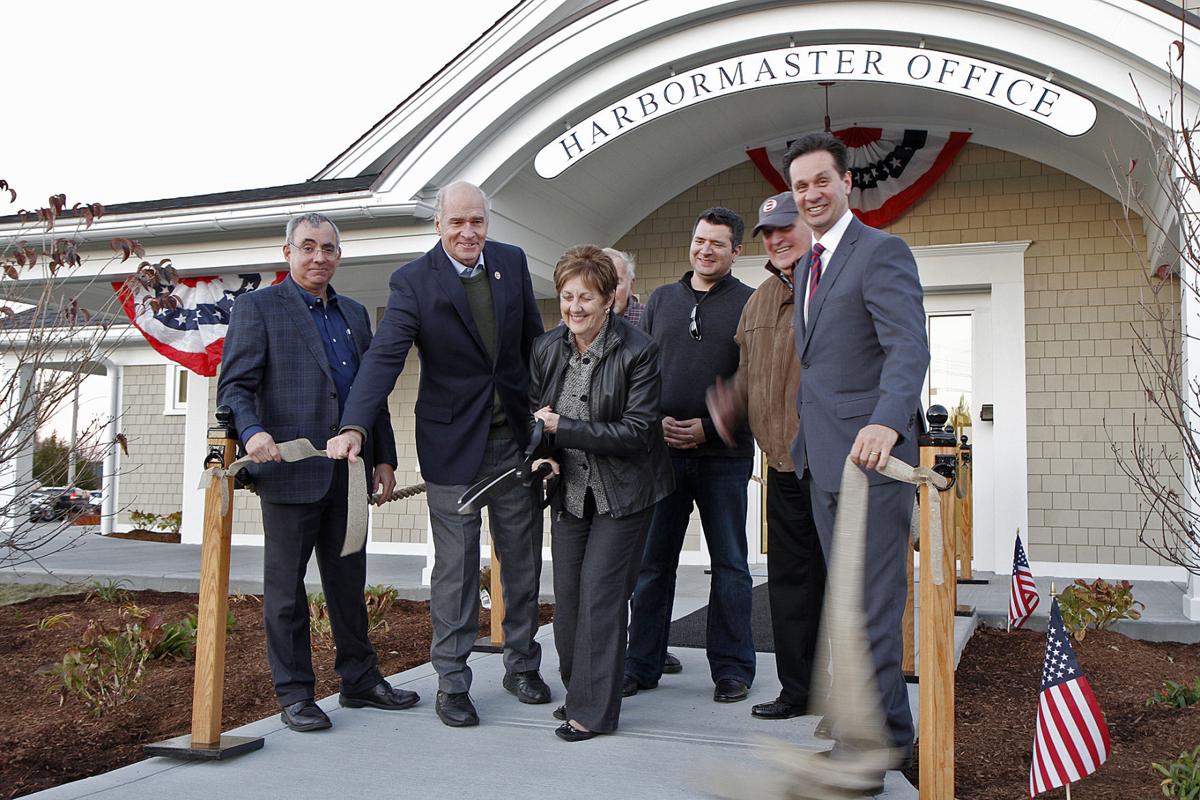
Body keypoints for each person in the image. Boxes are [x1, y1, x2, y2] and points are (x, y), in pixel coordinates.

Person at [325, 181, 550, 729]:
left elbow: (535, 347)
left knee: (520, 561)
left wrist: (549, 420)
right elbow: (384, 359)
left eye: (477, 221)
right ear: (439, 225)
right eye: (458, 223)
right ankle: (452, 681)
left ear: (487, 223)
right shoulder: (412, 282)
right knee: (455, 568)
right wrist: (355, 424)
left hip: (514, 442)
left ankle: (522, 666)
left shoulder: (512, 263)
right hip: (454, 447)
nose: (468, 232)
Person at [217, 212, 418, 733]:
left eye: (328, 248)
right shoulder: (257, 308)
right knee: (287, 592)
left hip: (349, 477)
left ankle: (359, 681)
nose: (319, 257)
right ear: (288, 253)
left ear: (339, 256)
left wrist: (385, 457)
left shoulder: (354, 314)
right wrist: (252, 430)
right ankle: (295, 694)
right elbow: (235, 386)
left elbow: (368, 394)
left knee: (349, 585)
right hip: (288, 472)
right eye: (308, 247)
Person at [784, 132, 929, 776]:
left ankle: (868, 755)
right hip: (822, 462)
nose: (811, 194)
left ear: (847, 183)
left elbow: (908, 350)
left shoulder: (880, 252)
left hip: (872, 463)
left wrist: (886, 425)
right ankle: (887, 737)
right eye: (801, 185)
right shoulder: (802, 267)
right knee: (844, 607)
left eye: (822, 181)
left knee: (868, 609)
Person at [528, 245, 674, 742]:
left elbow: (636, 433)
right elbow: (537, 420)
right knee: (568, 603)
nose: (575, 307)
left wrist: (564, 427)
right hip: (569, 493)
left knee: (601, 599)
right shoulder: (548, 348)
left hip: (626, 494)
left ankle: (594, 711)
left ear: (609, 299)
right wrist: (543, 454)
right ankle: (580, 692)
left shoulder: (639, 350)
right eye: (567, 296)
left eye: (586, 297)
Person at [624, 207, 756, 704]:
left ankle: (732, 669)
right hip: (661, 455)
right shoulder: (661, 301)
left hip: (724, 456)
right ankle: (643, 663)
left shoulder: (752, 303)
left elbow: (759, 380)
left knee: (730, 564)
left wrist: (709, 427)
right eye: (700, 240)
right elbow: (641, 370)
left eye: (717, 244)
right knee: (653, 565)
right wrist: (653, 422)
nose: (705, 250)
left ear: (735, 251)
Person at [707, 191, 825, 722]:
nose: (777, 240)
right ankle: (798, 691)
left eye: (786, 229)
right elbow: (751, 374)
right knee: (790, 585)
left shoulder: (834, 283)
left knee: (845, 588)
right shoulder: (757, 301)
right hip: (780, 466)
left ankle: (850, 701)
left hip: (834, 467)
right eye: (769, 234)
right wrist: (730, 401)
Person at [602, 247, 644, 326]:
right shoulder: (580, 319)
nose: (608, 292)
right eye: (601, 283)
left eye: (615, 283)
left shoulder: (648, 317)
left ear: (631, 285)